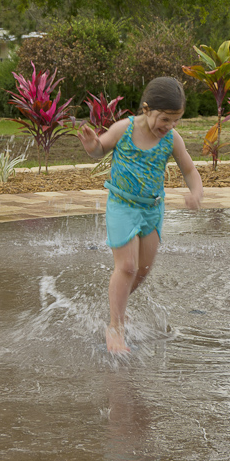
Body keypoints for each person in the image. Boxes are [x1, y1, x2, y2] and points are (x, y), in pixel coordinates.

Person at [78, 77, 204, 354]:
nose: (169, 126)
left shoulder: (171, 139)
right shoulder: (124, 129)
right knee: (127, 267)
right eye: (165, 119)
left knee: (142, 271)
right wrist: (92, 147)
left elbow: (189, 169)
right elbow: (100, 149)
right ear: (146, 109)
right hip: (122, 205)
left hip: (151, 210)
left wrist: (196, 191)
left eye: (175, 120)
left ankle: (117, 309)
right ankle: (115, 327)